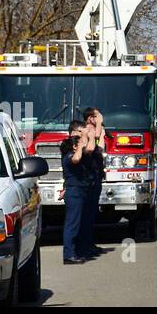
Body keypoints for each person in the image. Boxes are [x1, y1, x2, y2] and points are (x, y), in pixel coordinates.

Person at [59, 120, 96, 264]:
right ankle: (68, 254)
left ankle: (76, 251)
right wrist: (80, 145)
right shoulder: (69, 156)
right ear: (73, 146)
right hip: (74, 192)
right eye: (78, 145)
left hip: (80, 192)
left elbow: (89, 150)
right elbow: (76, 159)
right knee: (72, 224)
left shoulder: (77, 154)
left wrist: (90, 136)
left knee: (78, 223)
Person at [80, 108, 109, 256]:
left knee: (92, 212)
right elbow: (95, 138)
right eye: (97, 116)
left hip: (96, 173)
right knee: (87, 212)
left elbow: (101, 147)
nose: (101, 118)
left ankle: (89, 243)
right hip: (88, 175)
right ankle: (84, 245)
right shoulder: (86, 130)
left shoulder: (98, 129)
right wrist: (99, 125)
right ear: (90, 118)